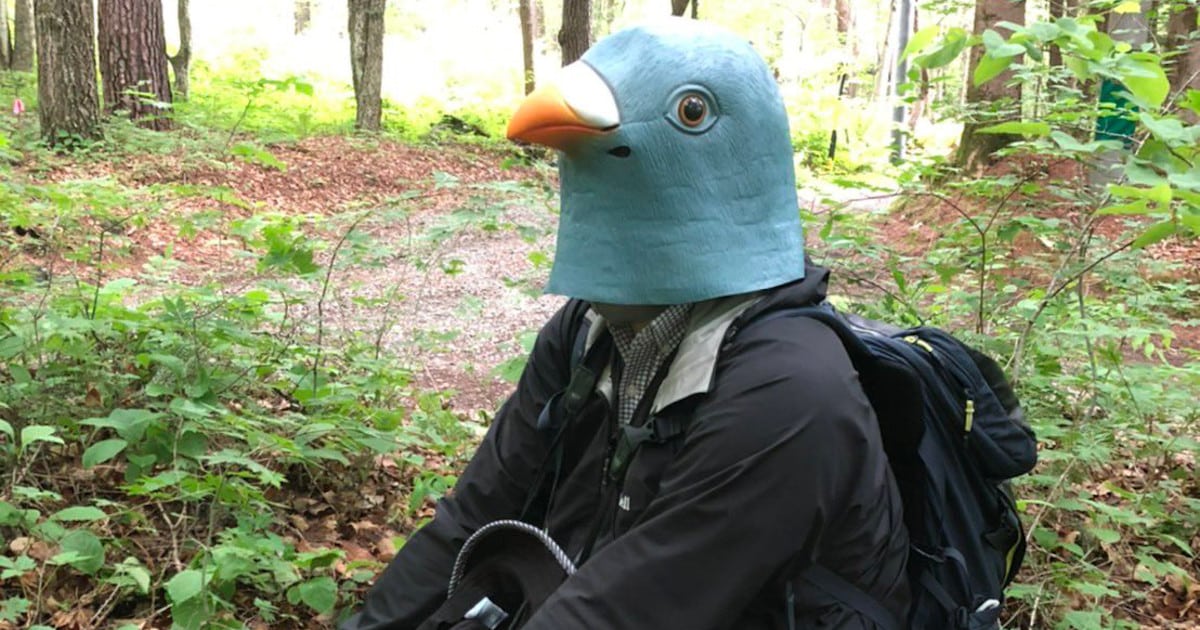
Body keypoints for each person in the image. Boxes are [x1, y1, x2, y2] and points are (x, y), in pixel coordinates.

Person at [342, 18, 910, 630]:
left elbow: (621, 613)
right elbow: (472, 516)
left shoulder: (792, 392)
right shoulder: (585, 331)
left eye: (691, 111)